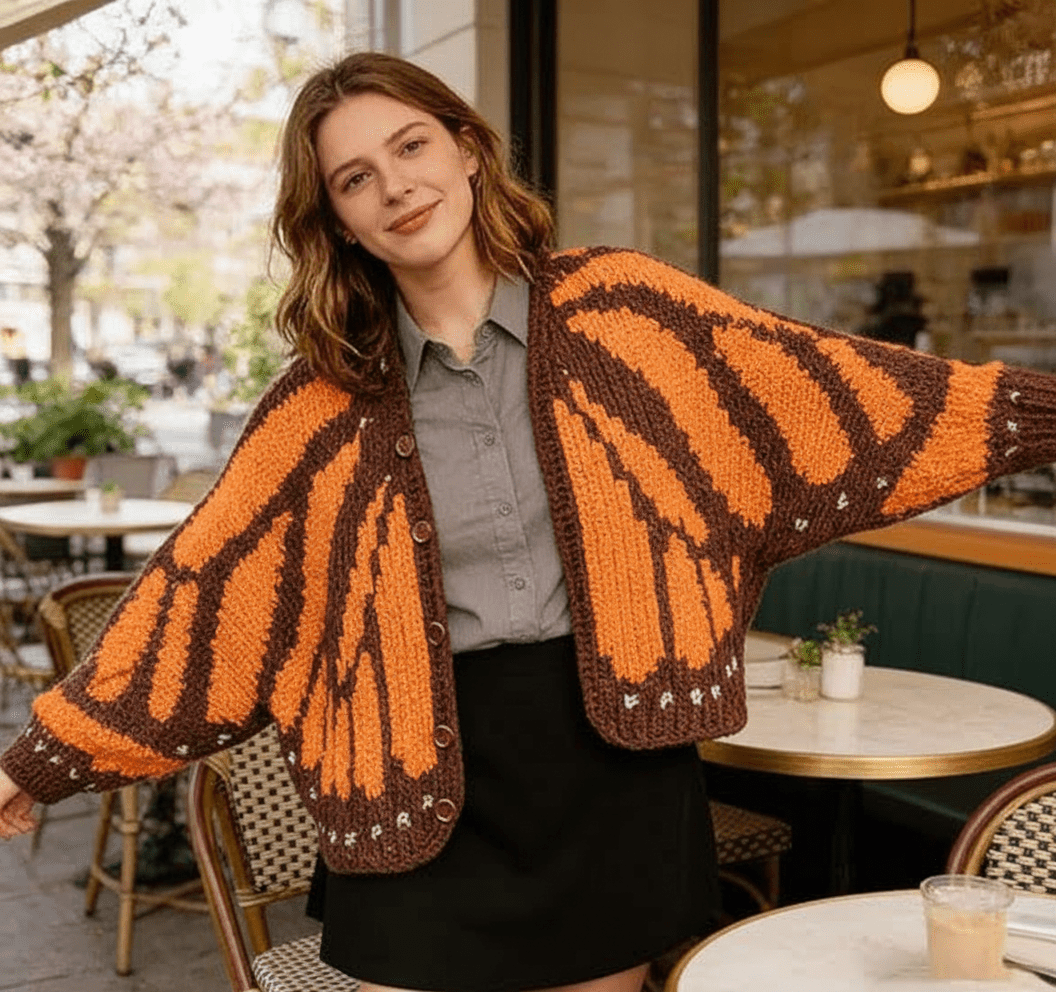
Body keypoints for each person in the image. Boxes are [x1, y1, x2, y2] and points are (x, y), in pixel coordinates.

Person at [2, 50, 1056, 992]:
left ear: (467, 148)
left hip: (609, 766)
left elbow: (839, 393)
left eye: (411, 145)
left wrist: (1033, 414)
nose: (395, 186)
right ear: (336, 221)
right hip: (409, 769)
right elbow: (200, 601)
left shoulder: (629, 315)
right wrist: (33, 761)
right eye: (354, 178)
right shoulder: (316, 411)